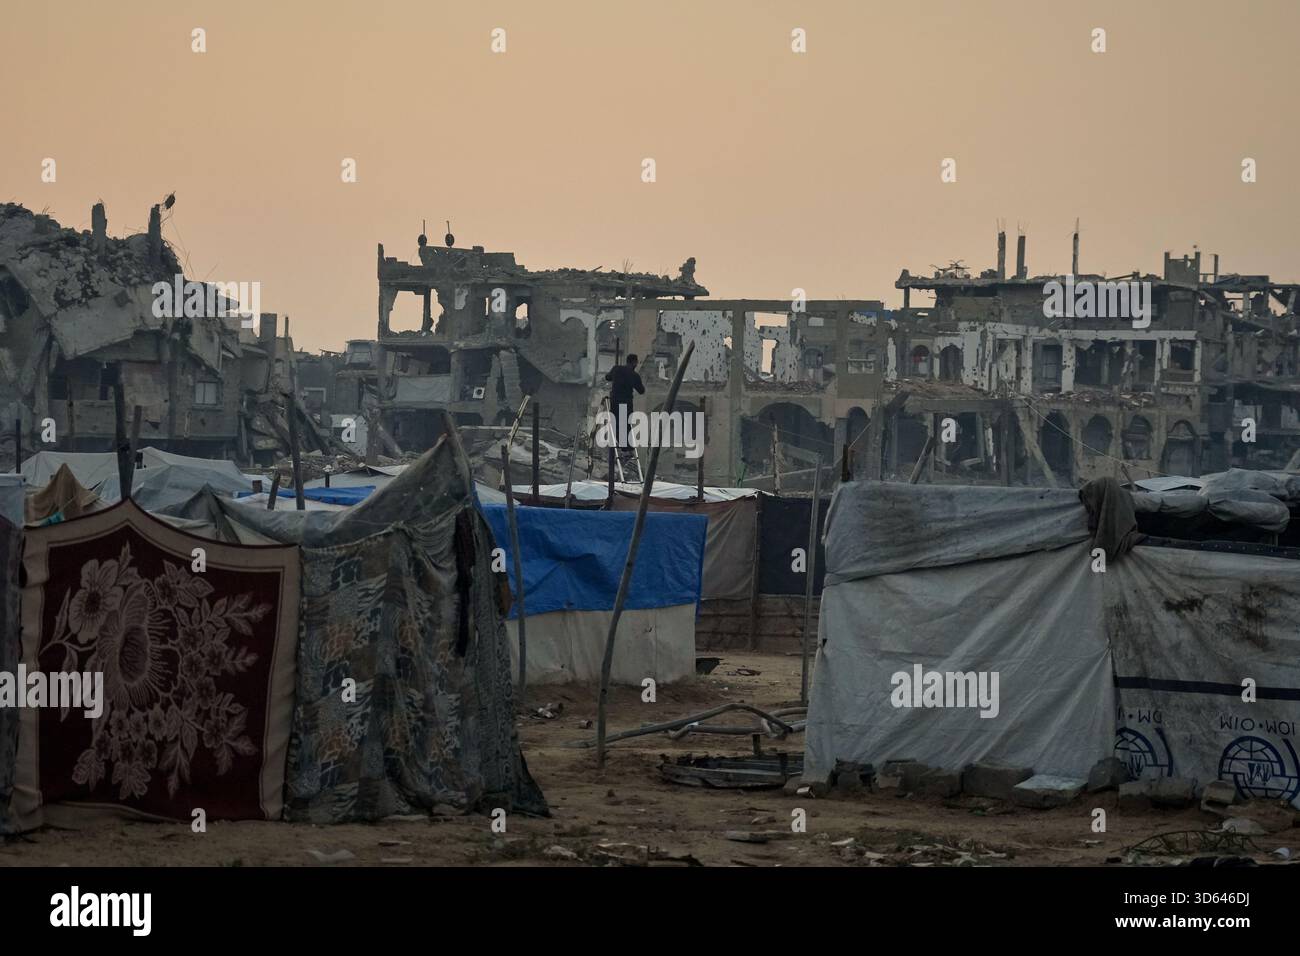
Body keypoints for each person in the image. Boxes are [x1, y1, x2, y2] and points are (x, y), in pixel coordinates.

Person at [604, 354, 645, 463]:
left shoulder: (617, 369)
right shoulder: (634, 375)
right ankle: (626, 450)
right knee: (626, 426)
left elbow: (607, 377)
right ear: (634, 362)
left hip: (615, 402)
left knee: (616, 425)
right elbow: (641, 390)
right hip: (626, 403)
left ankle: (621, 448)